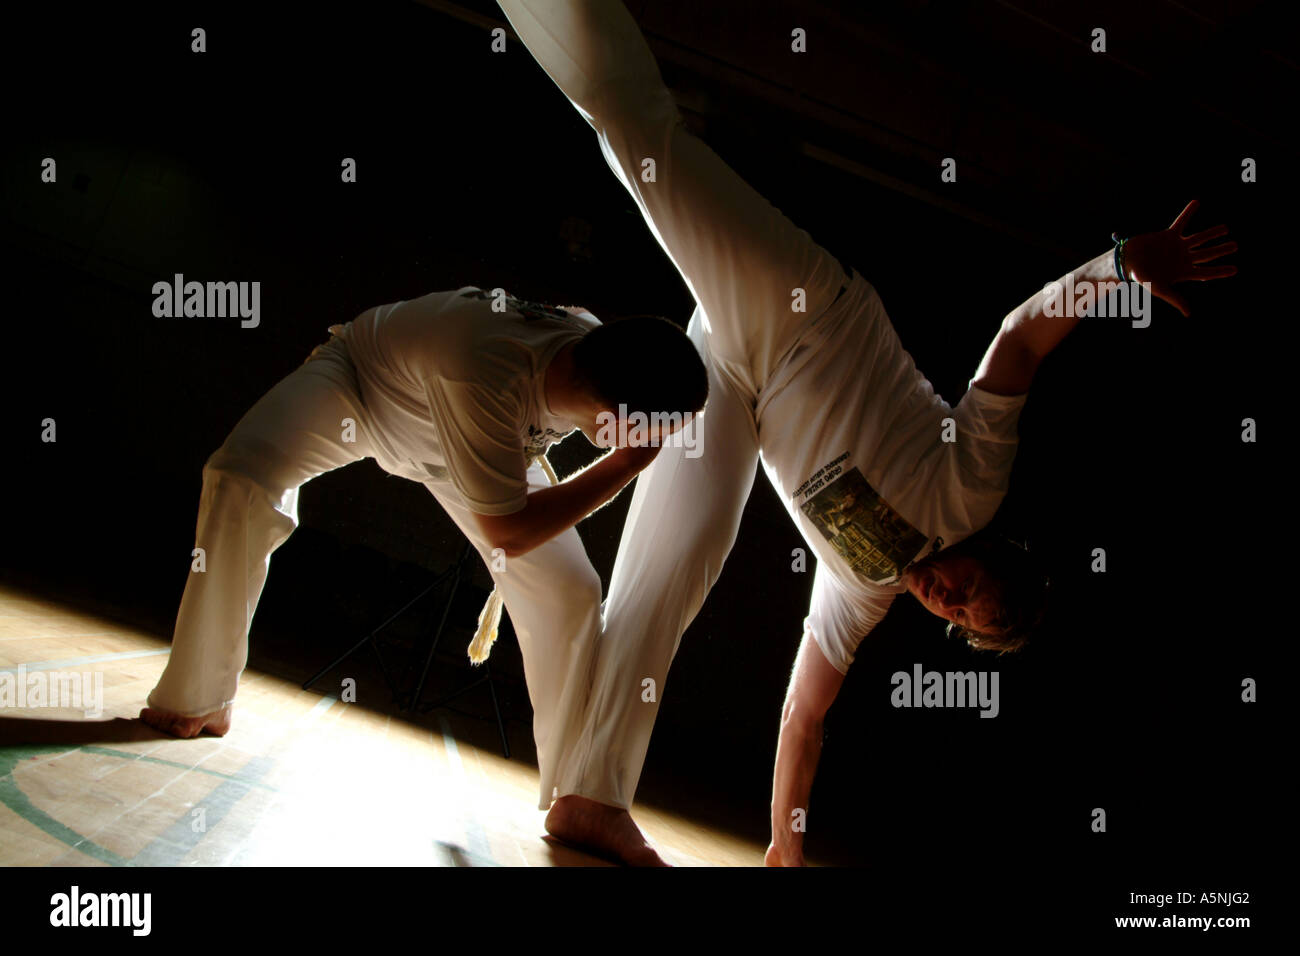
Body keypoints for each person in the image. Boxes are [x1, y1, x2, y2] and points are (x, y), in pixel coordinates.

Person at [495, 0, 1237, 866]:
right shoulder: (974, 483)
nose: (949, 600)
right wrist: (1115, 268)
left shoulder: (862, 592)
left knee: (677, 563)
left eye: (961, 618)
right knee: (640, 136)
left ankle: (590, 799)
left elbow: (804, 717)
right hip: (798, 308)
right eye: (971, 587)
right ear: (985, 548)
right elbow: (1018, 339)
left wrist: (784, 848)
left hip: (733, 387)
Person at [139, 285, 707, 815]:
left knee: (571, 591)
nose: (653, 442)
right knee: (240, 475)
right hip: (363, 390)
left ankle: (574, 798)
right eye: (652, 430)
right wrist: (624, 466)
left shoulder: (589, 340)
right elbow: (508, 533)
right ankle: (198, 697)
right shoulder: (485, 374)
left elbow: (569, 317)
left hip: (465, 444)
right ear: (614, 421)